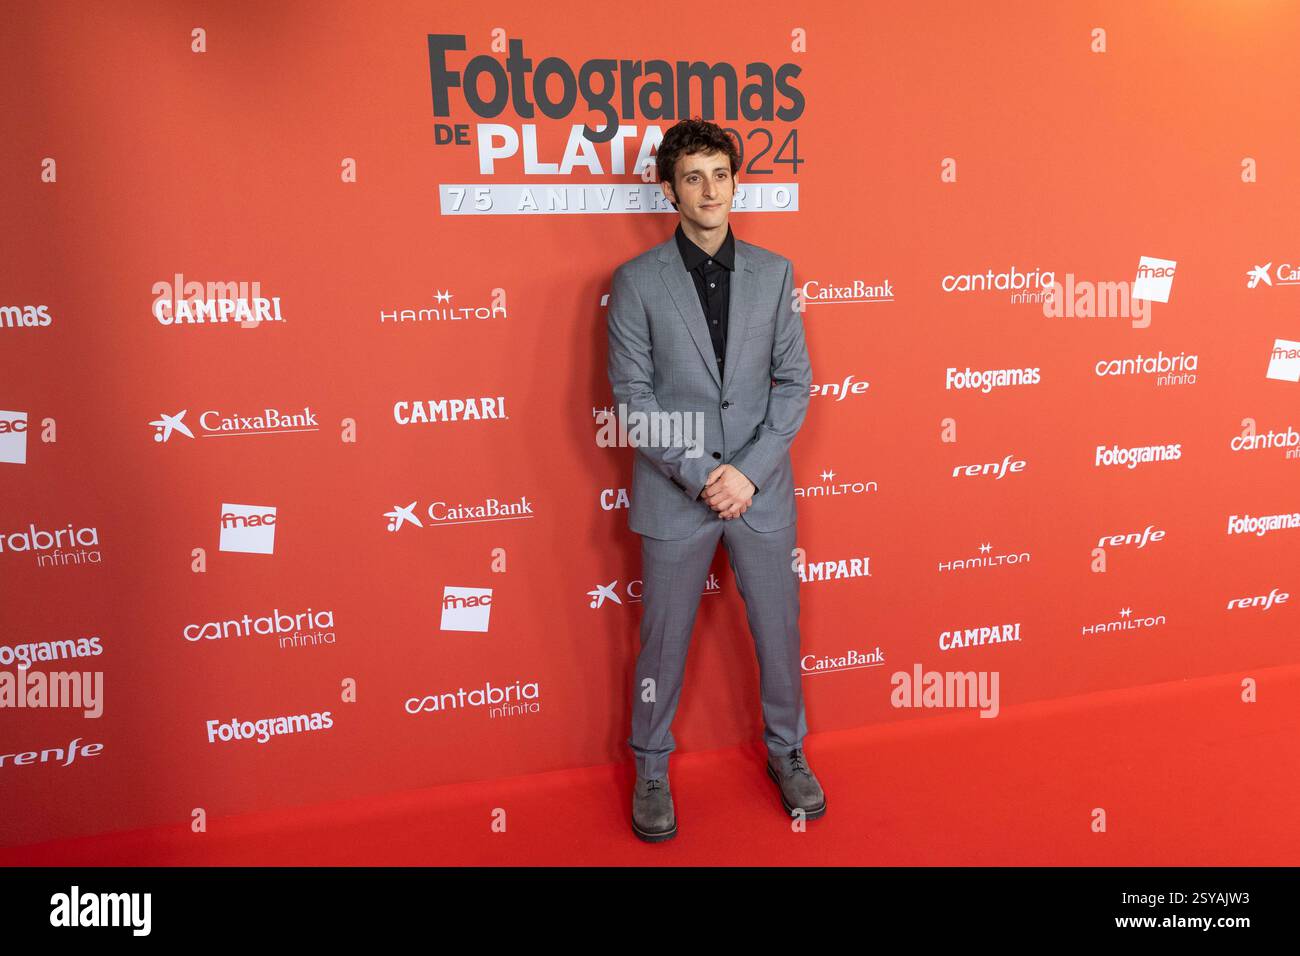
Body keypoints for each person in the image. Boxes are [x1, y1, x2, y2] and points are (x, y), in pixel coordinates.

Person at [605, 117, 824, 842]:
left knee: (779, 633)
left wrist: (748, 475)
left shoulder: (775, 272)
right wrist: (707, 477)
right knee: (662, 643)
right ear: (669, 189)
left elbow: (794, 386)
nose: (709, 190)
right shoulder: (634, 283)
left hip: (760, 493)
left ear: (736, 183)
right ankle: (651, 766)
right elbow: (635, 402)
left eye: (720, 175)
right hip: (678, 495)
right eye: (692, 176)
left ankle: (787, 752)